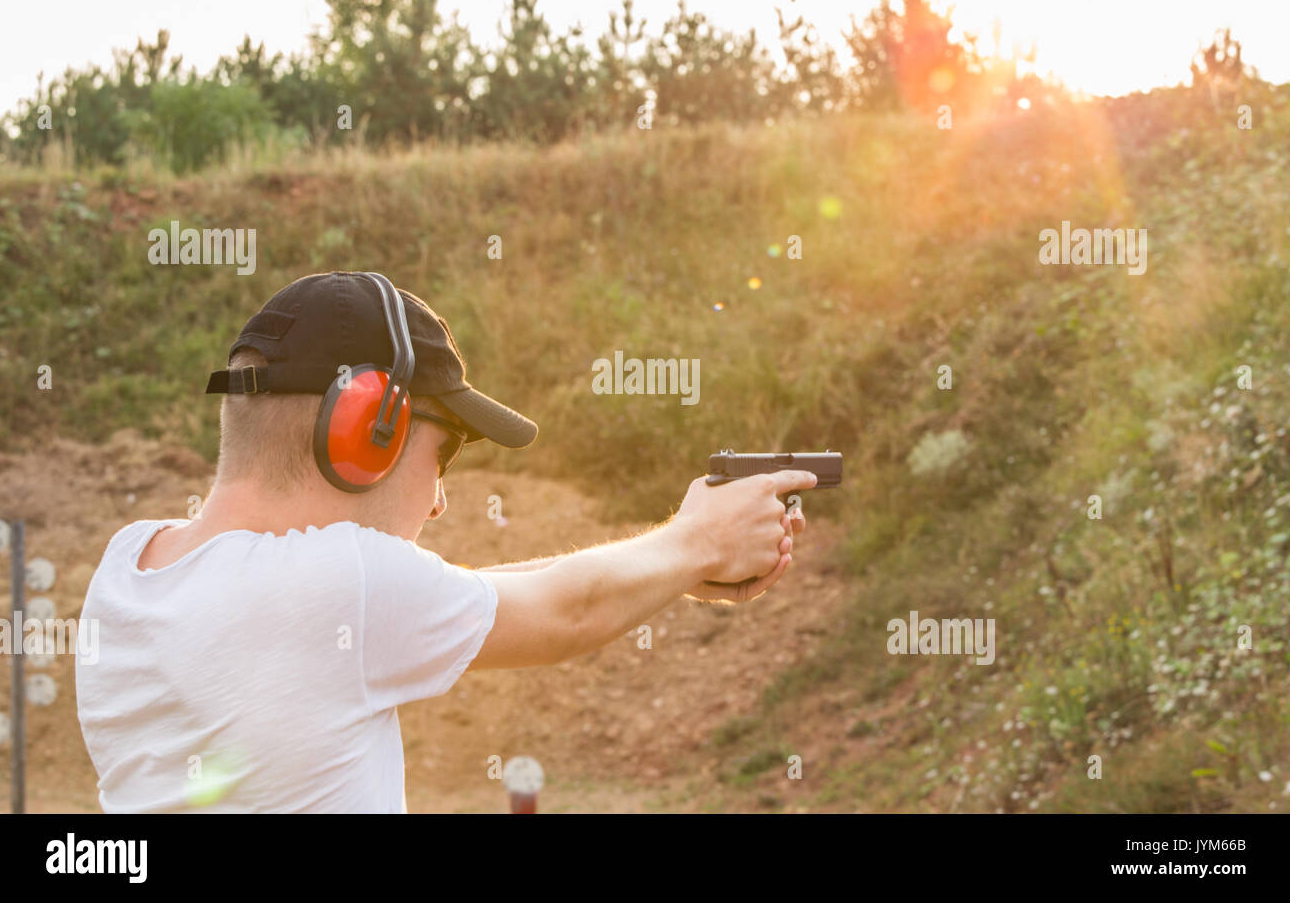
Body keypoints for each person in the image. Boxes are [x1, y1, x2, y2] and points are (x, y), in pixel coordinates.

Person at [76, 271, 814, 812]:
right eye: (446, 451)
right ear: (367, 432)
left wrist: (670, 567)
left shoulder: (128, 569)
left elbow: (463, 590)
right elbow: (568, 612)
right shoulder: (339, 586)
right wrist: (698, 540)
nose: (438, 499)